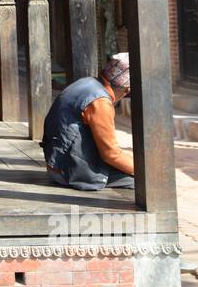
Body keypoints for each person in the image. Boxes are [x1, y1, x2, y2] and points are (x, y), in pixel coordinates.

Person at [42, 53, 135, 192]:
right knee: (142, 180)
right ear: (126, 90)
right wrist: (143, 170)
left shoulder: (88, 83)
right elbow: (111, 154)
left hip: (56, 162)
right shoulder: (100, 101)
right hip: (67, 171)